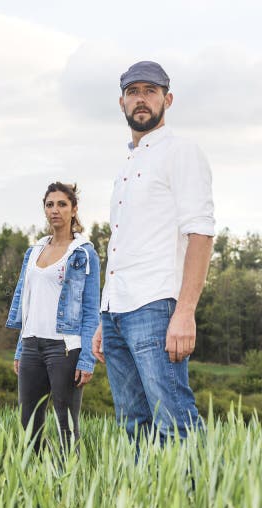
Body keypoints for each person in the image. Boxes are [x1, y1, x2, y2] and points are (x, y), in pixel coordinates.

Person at [92, 61, 214, 442]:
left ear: (168, 99)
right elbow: (121, 246)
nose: (140, 99)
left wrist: (185, 313)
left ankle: (197, 502)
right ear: (121, 102)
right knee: (133, 426)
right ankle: (151, 502)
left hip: (156, 306)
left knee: (174, 419)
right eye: (133, 92)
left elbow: (201, 233)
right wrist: (103, 315)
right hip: (116, 312)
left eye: (150, 91)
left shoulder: (182, 152)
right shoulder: (127, 164)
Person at [6, 183, 100, 454]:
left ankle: (70, 487)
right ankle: (38, 481)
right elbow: (27, 302)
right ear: (44, 209)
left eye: (62, 204)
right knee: (28, 424)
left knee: (66, 426)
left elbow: (91, 309)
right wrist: (21, 347)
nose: (55, 210)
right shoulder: (33, 252)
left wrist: (86, 359)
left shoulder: (83, 253)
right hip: (32, 346)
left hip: (65, 349)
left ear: (74, 210)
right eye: (50, 204)